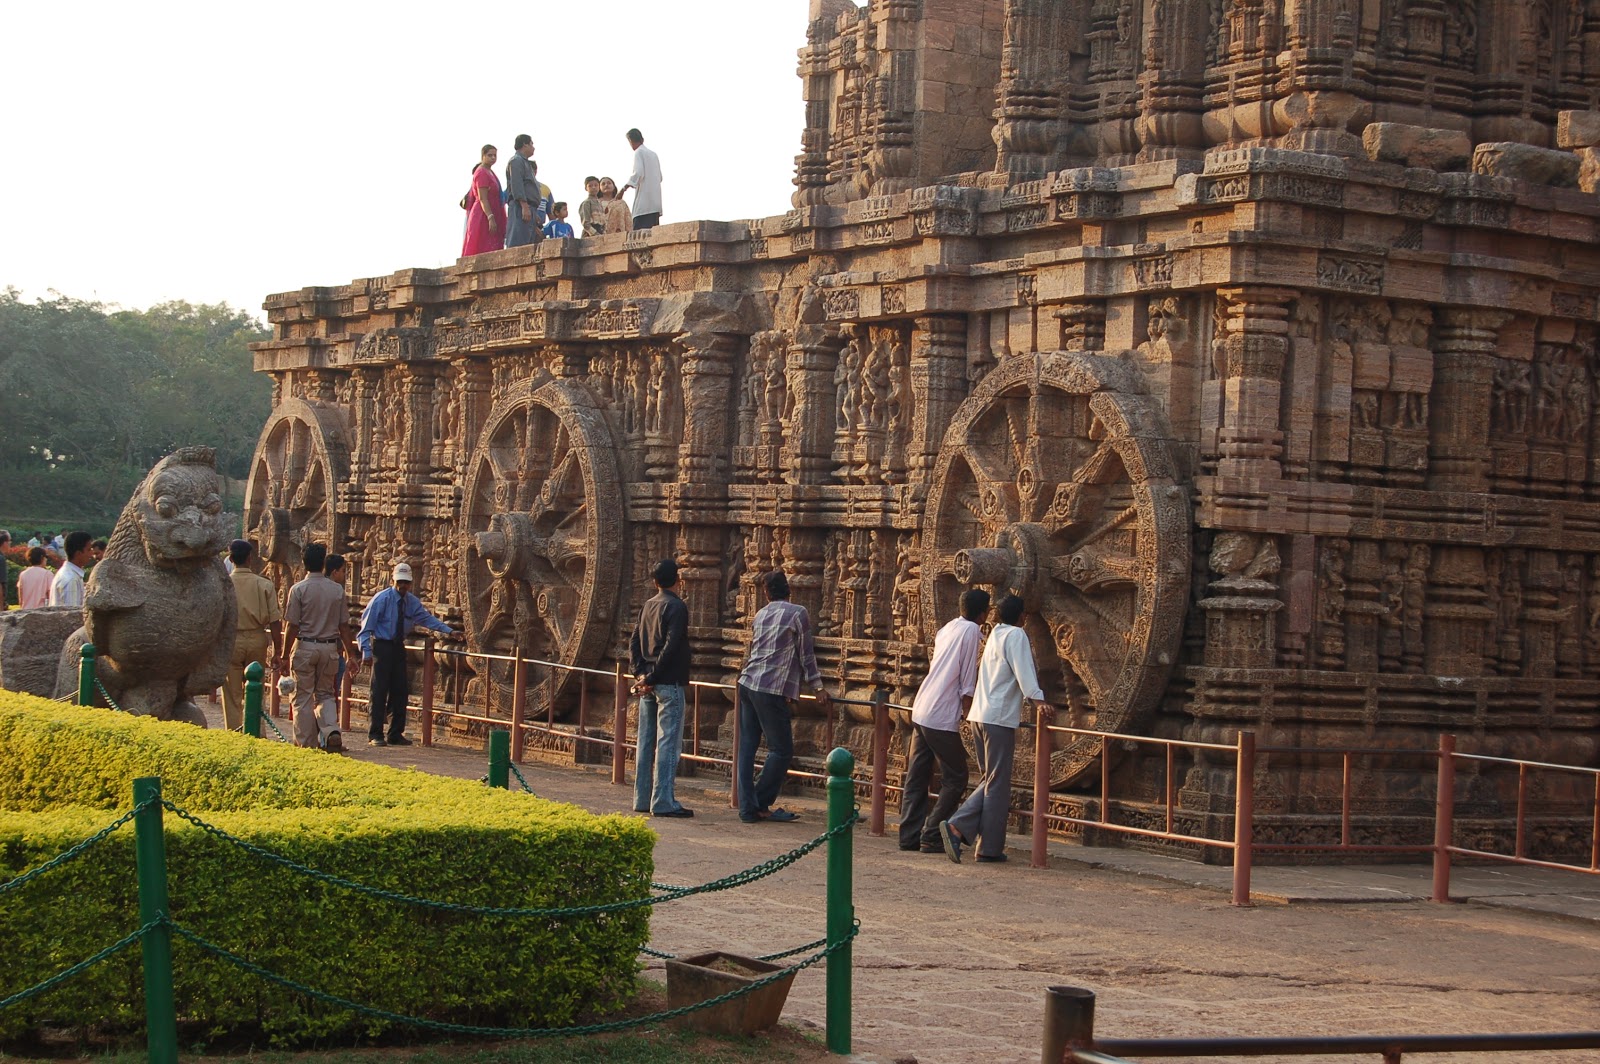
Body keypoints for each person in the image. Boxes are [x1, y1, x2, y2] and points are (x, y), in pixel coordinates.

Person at [940, 595, 1054, 864]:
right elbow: (1024, 671)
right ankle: (964, 831)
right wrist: (1038, 700)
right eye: (1024, 614)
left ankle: (982, 843)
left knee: (990, 780)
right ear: (1020, 616)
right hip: (998, 717)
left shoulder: (994, 635)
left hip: (980, 714)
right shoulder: (1016, 635)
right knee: (997, 782)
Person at [735, 571, 831, 824]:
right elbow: (806, 654)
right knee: (781, 749)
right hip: (770, 688)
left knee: (747, 748)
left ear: (766, 593)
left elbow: (755, 649)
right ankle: (760, 801)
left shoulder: (761, 614)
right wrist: (818, 687)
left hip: (747, 682)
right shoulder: (797, 613)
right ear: (789, 590)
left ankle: (748, 806)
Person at [898, 588, 989, 853]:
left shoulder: (948, 627)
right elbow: (966, 677)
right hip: (940, 713)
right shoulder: (972, 631)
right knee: (956, 777)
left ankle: (908, 836)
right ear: (983, 613)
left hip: (923, 706)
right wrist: (968, 709)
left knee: (917, 776)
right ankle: (932, 833)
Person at [357, 561, 459, 747]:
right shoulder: (382, 599)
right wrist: (366, 652)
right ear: (393, 581)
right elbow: (365, 628)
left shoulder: (411, 602)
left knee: (400, 691)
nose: (402, 586)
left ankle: (395, 732)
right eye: (400, 582)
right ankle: (375, 733)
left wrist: (449, 631)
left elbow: (427, 619)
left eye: (406, 582)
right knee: (379, 691)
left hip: (398, 647)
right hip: (382, 645)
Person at [629, 559, 693, 818]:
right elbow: (672, 645)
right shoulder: (676, 606)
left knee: (645, 742)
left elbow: (634, 641)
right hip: (667, 681)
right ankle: (663, 801)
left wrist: (641, 673)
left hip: (649, 682)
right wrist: (653, 676)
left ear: (655, 582)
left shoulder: (649, 605)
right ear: (678, 580)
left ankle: (642, 798)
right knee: (668, 743)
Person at [283, 544, 358, 752]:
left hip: (305, 645)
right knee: (326, 694)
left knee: (303, 697)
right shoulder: (336, 590)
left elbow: (292, 625)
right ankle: (331, 730)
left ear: (304, 563)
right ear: (324, 563)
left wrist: (283, 654)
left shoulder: (298, 589)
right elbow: (344, 626)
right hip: (329, 648)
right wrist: (350, 654)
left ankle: (307, 744)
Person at [223, 540, 283, 731]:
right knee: (256, 689)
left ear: (230, 559)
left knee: (232, 695)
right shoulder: (264, 585)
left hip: (231, 640)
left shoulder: (224, 585)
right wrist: (278, 651)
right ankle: (257, 732)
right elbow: (275, 621)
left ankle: (233, 733)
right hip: (257, 638)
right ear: (250, 558)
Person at [462, 144, 506, 257]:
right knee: (481, 248)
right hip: (482, 215)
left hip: (492, 212)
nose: (493, 158)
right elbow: (482, 198)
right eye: (489, 155)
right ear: (483, 156)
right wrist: (490, 217)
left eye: (495, 155)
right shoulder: (481, 172)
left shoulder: (490, 172)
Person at [620, 128, 663, 230]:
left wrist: (624, 188)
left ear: (630, 141)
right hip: (655, 205)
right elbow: (660, 177)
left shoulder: (639, 152)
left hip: (643, 207)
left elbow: (638, 173)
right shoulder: (653, 154)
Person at [504, 134, 541, 248]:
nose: (533, 147)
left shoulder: (526, 163)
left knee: (527, 245)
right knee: (518, 244)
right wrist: (524, 206)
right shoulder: (516, 161)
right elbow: (517, 185)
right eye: (531, 144)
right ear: (525, 144)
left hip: (530, 208)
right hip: (520, 207)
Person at [49, 531, 93, 608]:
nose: (91, 554)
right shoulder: (71, 579)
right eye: (89, 550)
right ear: (78, 554)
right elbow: (71, 615)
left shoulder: (68, 573)